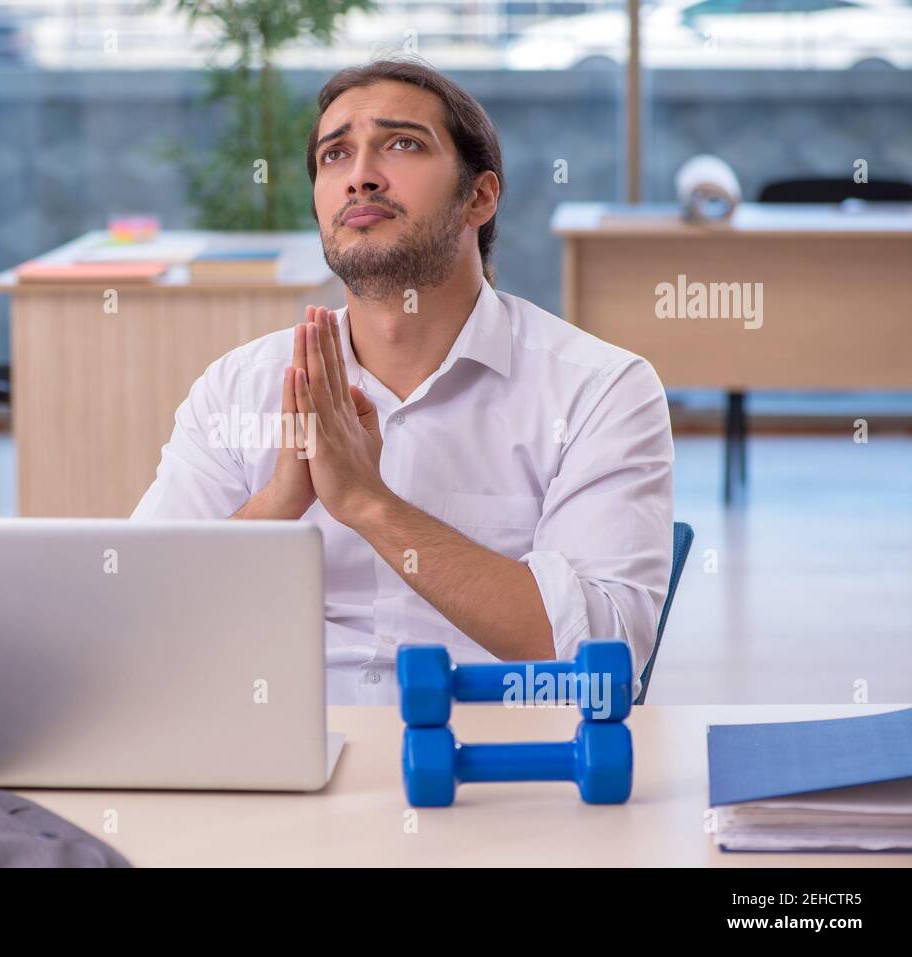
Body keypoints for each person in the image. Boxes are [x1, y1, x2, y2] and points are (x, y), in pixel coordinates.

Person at [133, 58, 674, 705]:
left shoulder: (601, 391)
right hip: (274, 744)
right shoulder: (236, 388)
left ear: (479, 196)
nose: (360, 175)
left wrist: (371, 504)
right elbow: (137, 614)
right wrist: (279, 502)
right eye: (335, 155)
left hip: (493, 764)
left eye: (401, 144)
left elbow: (604, 662)